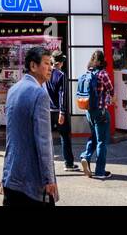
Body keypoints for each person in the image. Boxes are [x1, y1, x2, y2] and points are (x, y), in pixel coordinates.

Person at [2, 46, 58, 205]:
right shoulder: (40, 94)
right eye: (46, 63)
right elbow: (44, 141)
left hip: (11, 174)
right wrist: (49, 178)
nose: (50, 68)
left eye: (51, 63)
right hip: (31, 181)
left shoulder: (13, 89)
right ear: (33, 66)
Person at [77, 49, 114, 179]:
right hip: (101, 112)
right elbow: (111, 89)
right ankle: (99, 172)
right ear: (103, 60)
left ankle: (85, 156)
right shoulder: (103, 74)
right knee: (102, 142)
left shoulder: (88, 72)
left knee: (94, 136)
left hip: (89, 111)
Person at [45, 52, 76, 173]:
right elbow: (62, 94)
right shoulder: (61, 75)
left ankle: (46, 165)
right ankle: (68, 163)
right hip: (59, 111)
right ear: (60, 63)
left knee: (47, 138)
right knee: (65, 137)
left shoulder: (46, 73)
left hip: (47, 110)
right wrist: (62, 112)